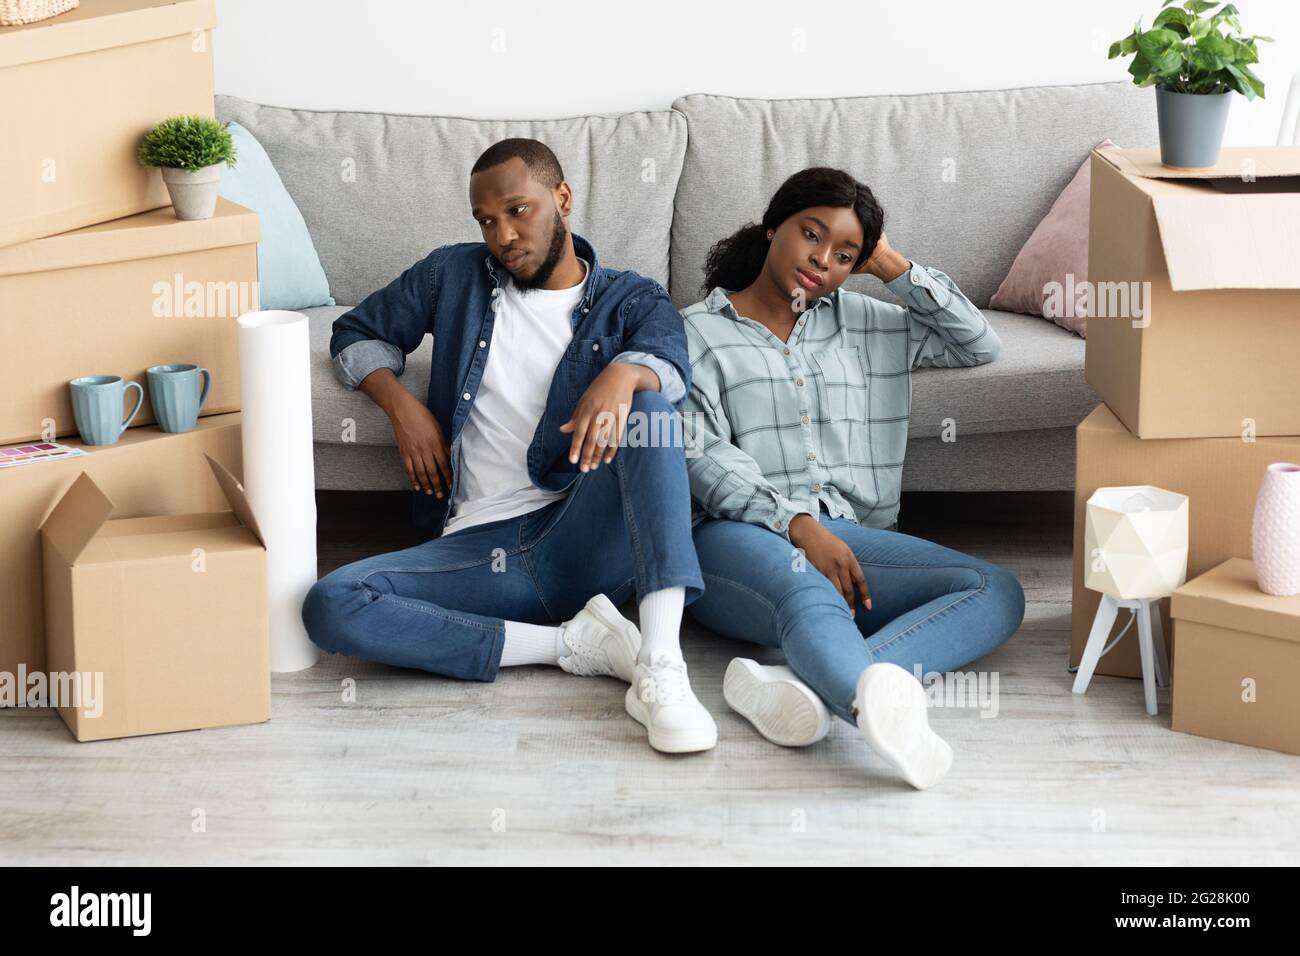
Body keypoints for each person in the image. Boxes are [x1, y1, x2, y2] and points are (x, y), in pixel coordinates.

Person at [301, 139, 716, 753]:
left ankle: (661, 663)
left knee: (651, 409)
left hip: (579, 536)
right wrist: (402, 407)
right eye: (487, 220)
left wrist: (623, 374)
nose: (503, 235)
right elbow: (356, 332)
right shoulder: (453, 275)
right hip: (480, 550)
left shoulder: (631, 299)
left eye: (518, 211)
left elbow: (671, 368)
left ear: (563, 199)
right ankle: (574, 646)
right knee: (331, 604)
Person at [680, 167, 1025, 788]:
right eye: (811, 234)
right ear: (771, 227)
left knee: (995, 590)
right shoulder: (697, 332)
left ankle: (806, 691)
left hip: (852, 541)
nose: (822, 261)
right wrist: (798, 525)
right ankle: (862, 704)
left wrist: (888, 262)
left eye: (844, 254)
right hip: (737, 540)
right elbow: (699, 456)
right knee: (804, 590)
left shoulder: (867, 322)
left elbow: (980, 344)